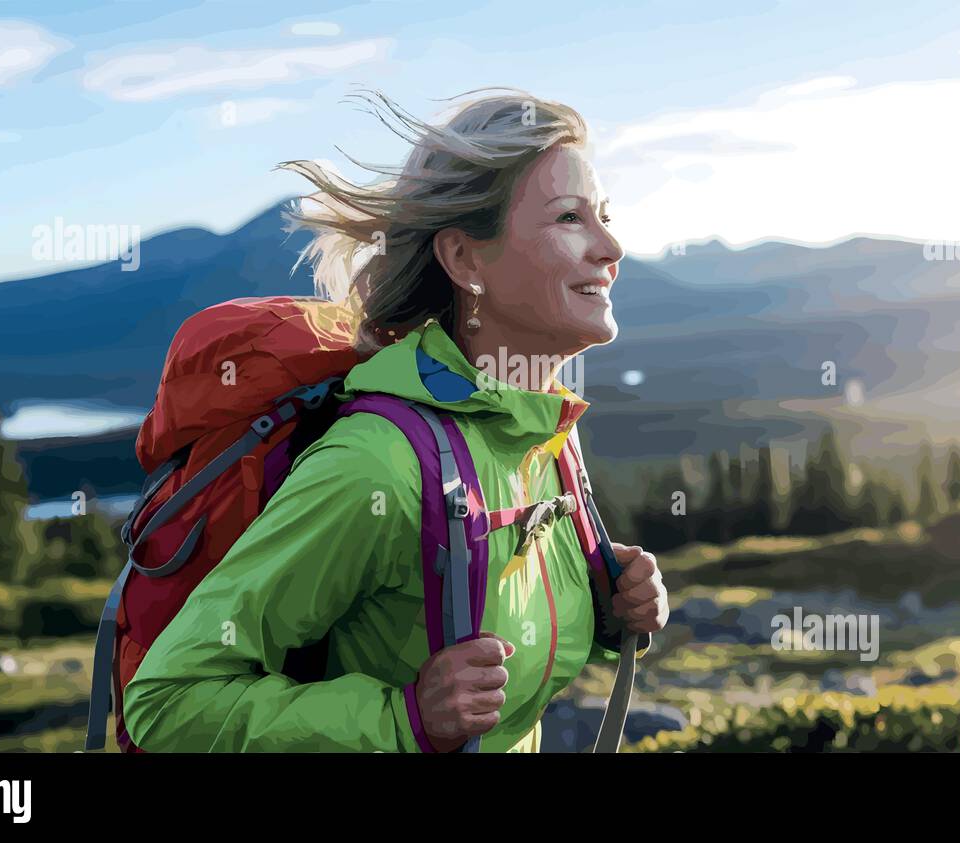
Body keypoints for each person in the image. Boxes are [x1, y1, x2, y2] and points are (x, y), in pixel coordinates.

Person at [121, 87, 669, 753]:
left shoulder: (545, 435)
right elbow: (167, 703)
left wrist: (606, 609)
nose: (611, 246)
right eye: (568, 219)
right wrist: (406, 718)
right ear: (466, 260)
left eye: (603, 214)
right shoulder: (377, 462)